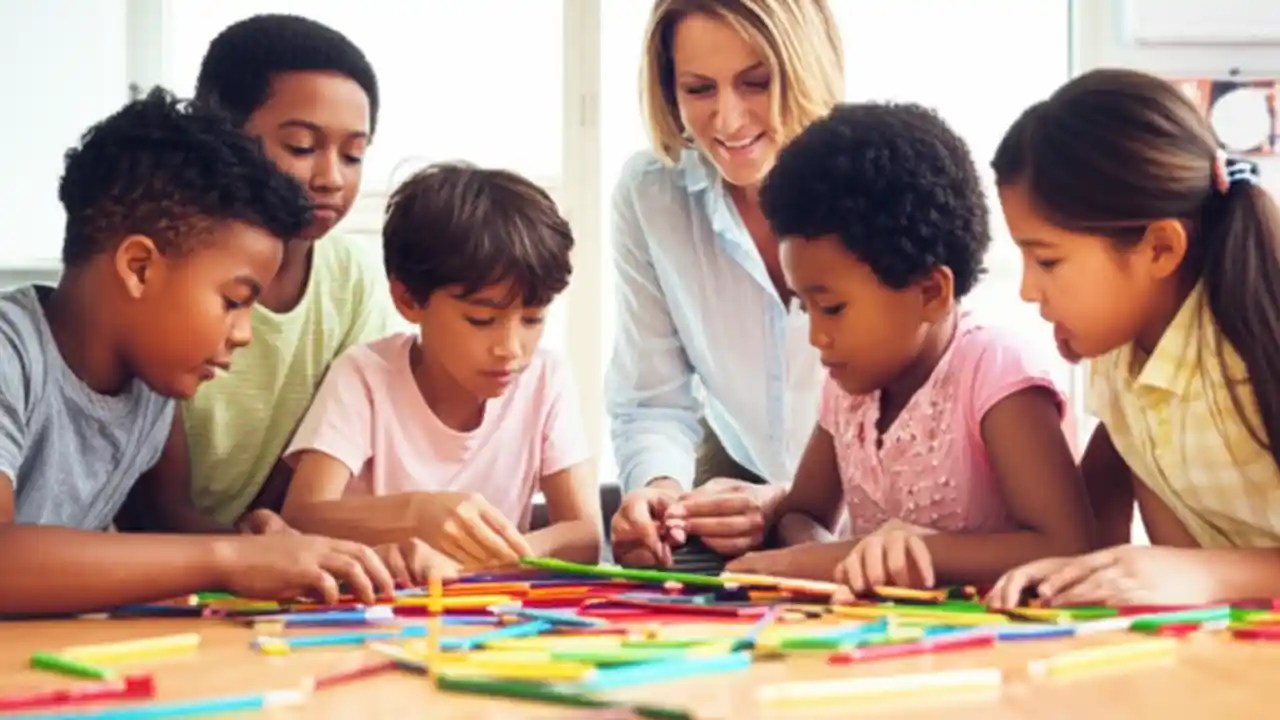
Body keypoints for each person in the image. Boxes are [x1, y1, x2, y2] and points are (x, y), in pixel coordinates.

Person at [0, 89, 393, 615]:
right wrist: (225, 557)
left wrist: (261, 548)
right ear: (139, 267)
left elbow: (162, 520)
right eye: (234, 301)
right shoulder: (11, 354)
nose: (244, 333)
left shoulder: (150, 384)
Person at [725, 101, 1092, 592]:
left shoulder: (994, 374)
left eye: (832, 308)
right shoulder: (848, 388)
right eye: (803, 308)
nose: (816, 337)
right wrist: (821, 557)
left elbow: (1068, 546)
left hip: (992, 651)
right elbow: (801, 515)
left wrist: (894, 552)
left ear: (929, 293)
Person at [986, 69, 1280, 609]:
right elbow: (1123, 509)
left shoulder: (1256, 354)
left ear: (1160, 248)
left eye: (1047, 260)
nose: (1029, 290)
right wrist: (1074, 574)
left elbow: (1193, 572)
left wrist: (1209, 577)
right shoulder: (1120, 358)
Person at [280, 163, 602, 584]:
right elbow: (302, 515)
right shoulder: (366, 377)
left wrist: (500, 557)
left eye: (533, 319)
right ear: (408, 299)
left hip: (488, 617)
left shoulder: (545, 377)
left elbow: (585, 536)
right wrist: (417, 514)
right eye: (481, 320)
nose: (510, 348)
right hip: (375, 609)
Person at [608, 0, 844, 568]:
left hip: (872, 506)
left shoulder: (877, 179)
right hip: (736, 488)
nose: (729, 120)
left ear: (803, 66)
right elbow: (653, 397)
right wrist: (659, 491)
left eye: (756, 83)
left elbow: (922, 400)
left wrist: (791, 502)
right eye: (698, 89)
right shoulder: (650, 195)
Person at [171, 14, 403, 530]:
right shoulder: (174, 266)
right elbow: (155, 506)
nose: (330, 178)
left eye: (353, 155)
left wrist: (271, 538)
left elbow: (324, 459)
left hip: (278, 548)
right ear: (222, 135)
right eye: (301, 147)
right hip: (154, 552)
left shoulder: (352, 280)